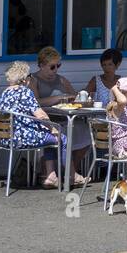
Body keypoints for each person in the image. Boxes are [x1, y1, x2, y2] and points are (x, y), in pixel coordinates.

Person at [0, 61, 83, 189]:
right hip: (23, 138)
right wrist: (53, 127)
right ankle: (72, 177)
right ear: (25, 79)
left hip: (7, 138)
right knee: (62, 138)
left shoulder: (5, 93)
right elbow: (41, 115)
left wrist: (50, 130)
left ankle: (51, 176)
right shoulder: (25, 92)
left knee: (50, 136)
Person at [28, 46, 90, 174]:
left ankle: (71, 169)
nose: (55, 70)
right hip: (45, 122)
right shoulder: (33, 80)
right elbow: (35, 102)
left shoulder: (61, 80)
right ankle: (67, 172)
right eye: (52, 67)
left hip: (65, 119)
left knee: (87, 132)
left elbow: (75, 97)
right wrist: (59, 98)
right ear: (41, 65)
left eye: (58, 66)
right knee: (62, 132)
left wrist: (79, 99)